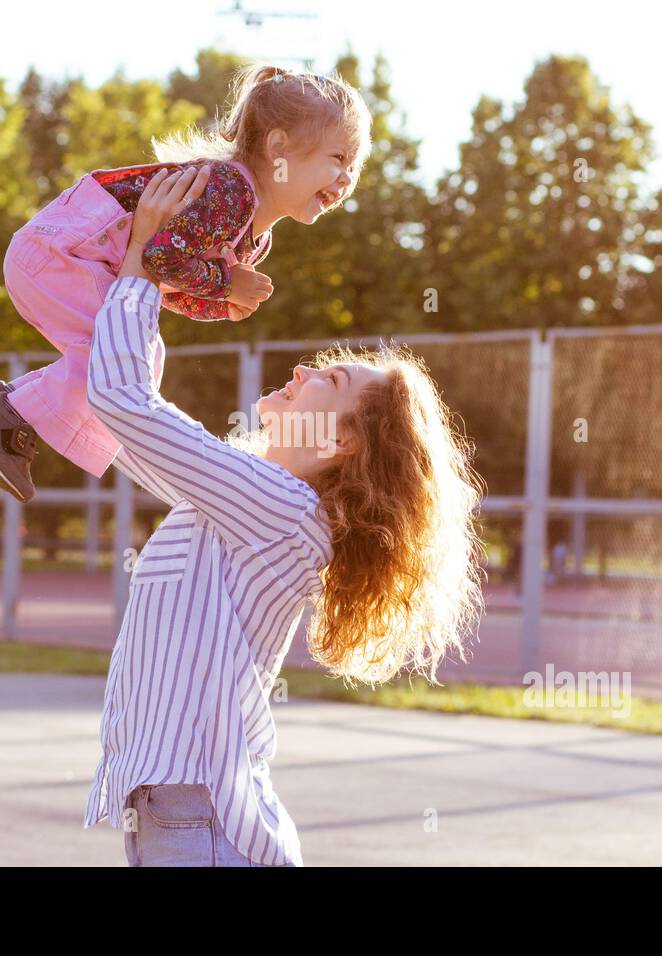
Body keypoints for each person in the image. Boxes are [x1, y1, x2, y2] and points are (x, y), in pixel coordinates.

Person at [75, 165, 488, 866]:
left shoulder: (281, 510)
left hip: (198, 823)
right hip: (180, 817)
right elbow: (126, 424)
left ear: (339, 442)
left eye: (328, 381)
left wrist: (142, 264)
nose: (301, 373)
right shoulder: (247, 500)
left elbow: (125, 403)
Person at [0, 63, 373, 502]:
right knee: (124, 356)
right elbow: (159, 259)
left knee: (133, 353)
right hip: (61, 256)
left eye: (355, 164)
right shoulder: (231, 194)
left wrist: (219, 301)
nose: (347, 177)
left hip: (64, 258)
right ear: (279, 148)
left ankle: (8, 405)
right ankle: (8, 412)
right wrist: (225, 283)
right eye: (338, 158)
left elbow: (169, 284)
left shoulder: (253, 232)